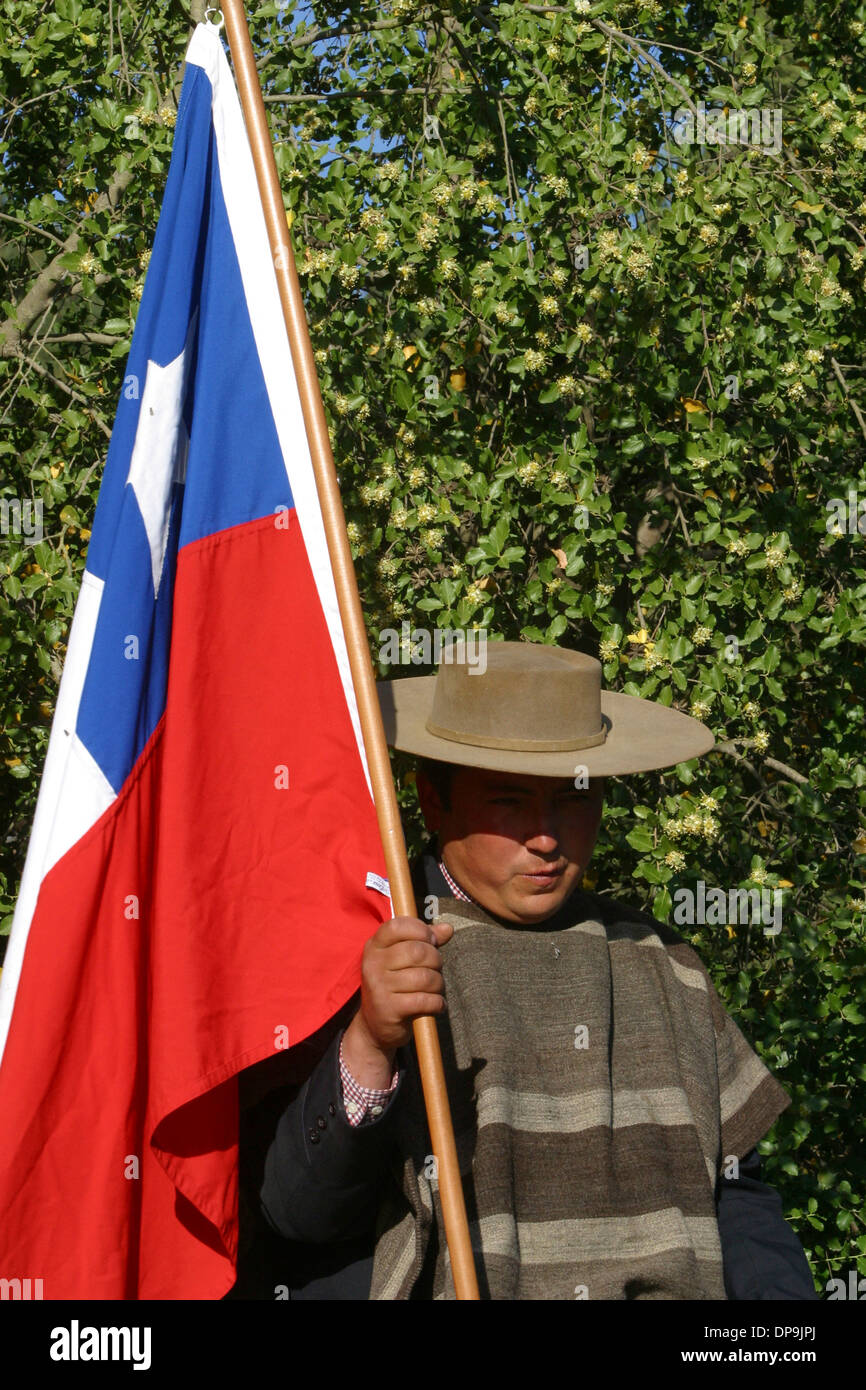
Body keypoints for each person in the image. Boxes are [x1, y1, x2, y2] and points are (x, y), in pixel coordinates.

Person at [237, 642, 816, 1300]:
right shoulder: (367, 955)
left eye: (572, 798)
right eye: (509, 802)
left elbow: (738, 1197)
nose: (546, 836)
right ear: (434, 799)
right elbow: (297, 1214)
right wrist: (370, 1042)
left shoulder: (663, 964)